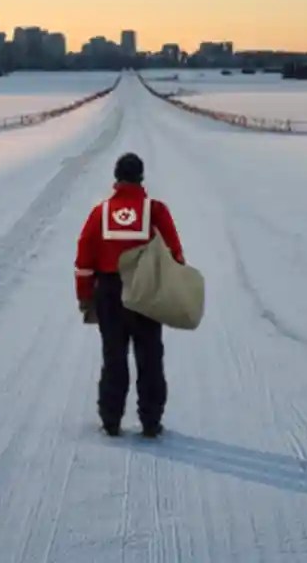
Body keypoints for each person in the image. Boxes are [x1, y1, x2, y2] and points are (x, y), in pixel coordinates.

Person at [75, 153, 184, 438]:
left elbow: (84, 257)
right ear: (141, 178)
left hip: (109, 292)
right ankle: (151, 421)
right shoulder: (155, 211)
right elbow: (174, 253)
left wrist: (85, 296)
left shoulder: (101, 212)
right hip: (145, 291)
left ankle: (111, 420)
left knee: (114, 356)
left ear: (116, 179)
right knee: (150, 357)